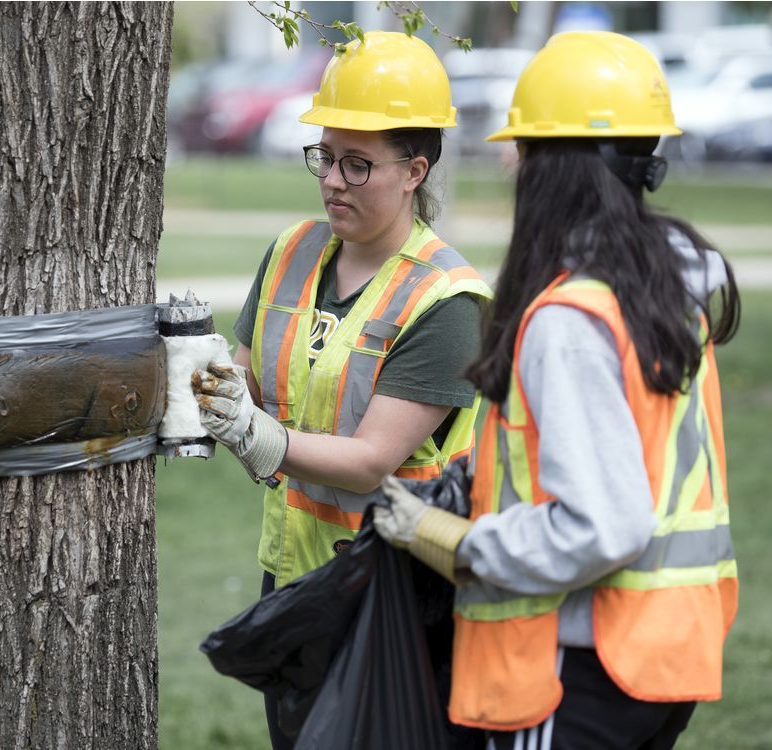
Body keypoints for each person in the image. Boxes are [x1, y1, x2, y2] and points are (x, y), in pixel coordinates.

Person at [374, 31, 741, 749]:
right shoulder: (662, 295)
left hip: (574, 663)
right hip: (661, 657)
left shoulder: (570, 320)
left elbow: (604, 525)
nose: (512, 164)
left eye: (524, 150)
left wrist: (456, 538)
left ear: (555, 168)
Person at [191, 31, 492, 749]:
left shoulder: (447, 301)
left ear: (415, 170)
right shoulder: (293, 252)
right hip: (295, 580)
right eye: (324, 157)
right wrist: (207, 385)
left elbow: (369, 461)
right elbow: (243, 386)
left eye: (357, 165)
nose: (331, 180)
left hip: (397, 590)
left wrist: (260, 436)